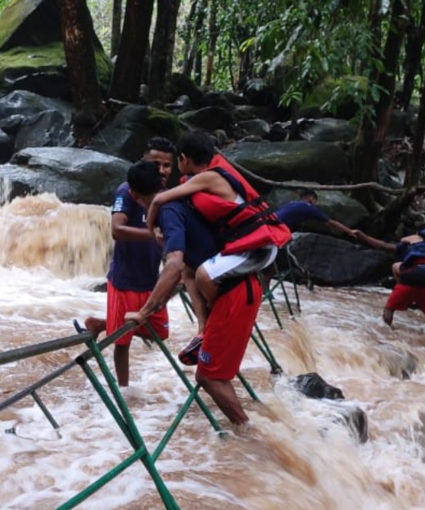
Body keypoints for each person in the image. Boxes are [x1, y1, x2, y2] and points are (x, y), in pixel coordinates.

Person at [145, 131, 291, 364]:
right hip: (248, 244)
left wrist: (151, 227)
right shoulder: (206, 175)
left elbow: (158, 200)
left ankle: (217, 322)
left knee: (204, 275)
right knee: (189, 271)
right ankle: (204, 329)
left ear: (183, 159)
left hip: (260, 247)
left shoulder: (209, 177)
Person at [124, 189, 261, 426]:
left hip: (234, 295)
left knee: (208, 376)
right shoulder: (185, 205)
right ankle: (253, 437)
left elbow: (174, 264)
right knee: (216, 373)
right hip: (243, 287)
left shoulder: (168, 211)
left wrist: (144, 312)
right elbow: (185, 271)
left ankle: (250, 433)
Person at [82, 159, 172, 390]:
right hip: (125, 279)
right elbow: (116, 230)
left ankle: (104, 324)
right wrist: (152, 234)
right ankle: (124, 388)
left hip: (151, 277)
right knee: (122, 342)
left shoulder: (161, 193)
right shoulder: (125, 192)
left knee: (159, 334)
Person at [356, 228, 425, 329]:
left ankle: (385, 332)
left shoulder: (411, 242)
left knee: (389, 309)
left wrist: (363, 236)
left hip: (408, 283)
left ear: (418, 233)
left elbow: (383, 246)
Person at [273, 190, 357, 238]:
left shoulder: (291, 203)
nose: (315, 204)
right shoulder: (309, 207)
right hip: (276, 227)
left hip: (268, 220)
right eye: (315, 201)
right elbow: (332, 223)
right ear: (311, 197)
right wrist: (349, 231)